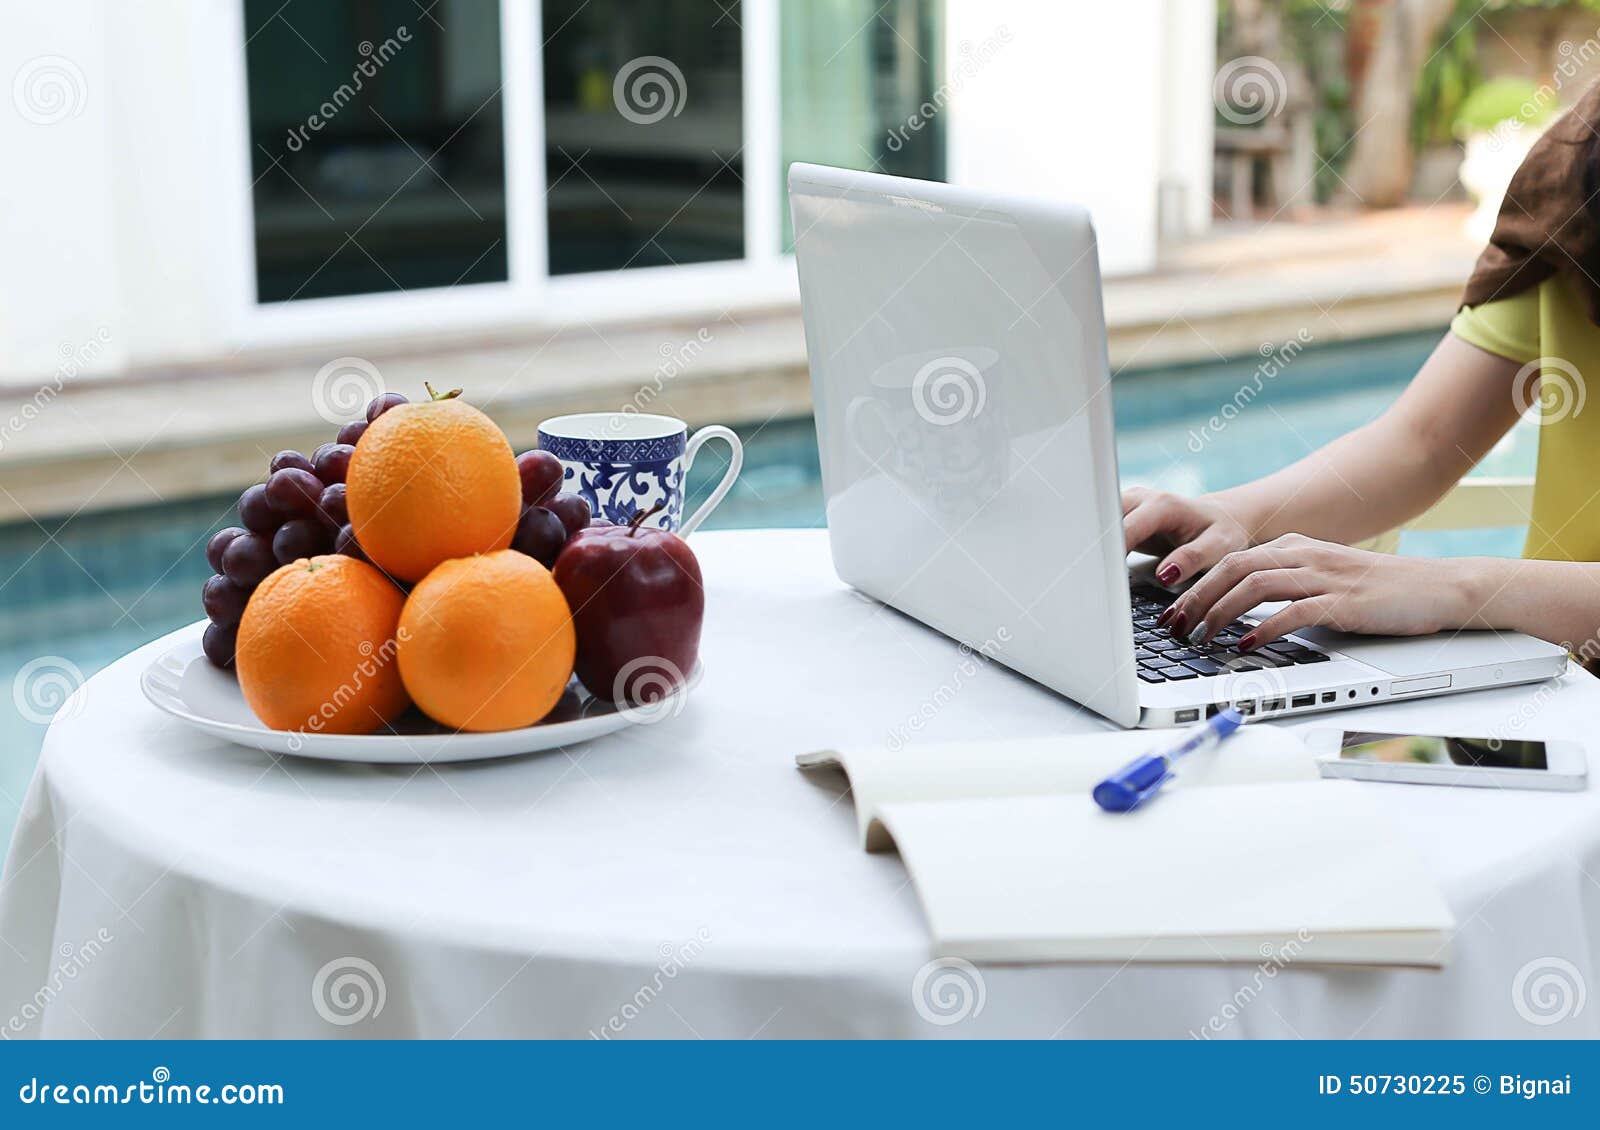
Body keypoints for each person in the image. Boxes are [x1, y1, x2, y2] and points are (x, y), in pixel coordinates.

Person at [1125, 82, 1600, 661]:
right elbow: (1422, 442)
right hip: (1561, 693)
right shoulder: (1576, 168)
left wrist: (1454, 588)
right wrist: (1238, 516)